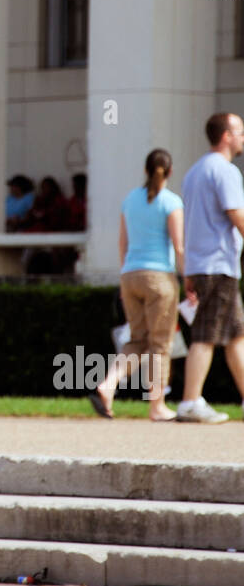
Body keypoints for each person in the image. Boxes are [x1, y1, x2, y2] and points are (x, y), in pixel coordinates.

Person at [89, 150, 182, 421]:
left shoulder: (130, 200)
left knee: (137, 341)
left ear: (145, 169)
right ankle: (157, 405)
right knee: (160, 344)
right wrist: (189, 279)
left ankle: (107, 385)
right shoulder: (171, 202)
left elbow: (122, 244)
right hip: (159, 278)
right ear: (170, 171)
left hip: (130, 275)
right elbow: (178, 245)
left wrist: (124, 276)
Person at [177, 112, 244, 424]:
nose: (243, 138)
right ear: (226, 136)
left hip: (204, 265)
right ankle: (190, 402)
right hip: (219, 265)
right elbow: (236, 214)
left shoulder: (194, 173)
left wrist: (189, 270)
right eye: (240, 132)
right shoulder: (225, 171)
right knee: (206, 334)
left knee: (235, 336)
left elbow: (192, 225)